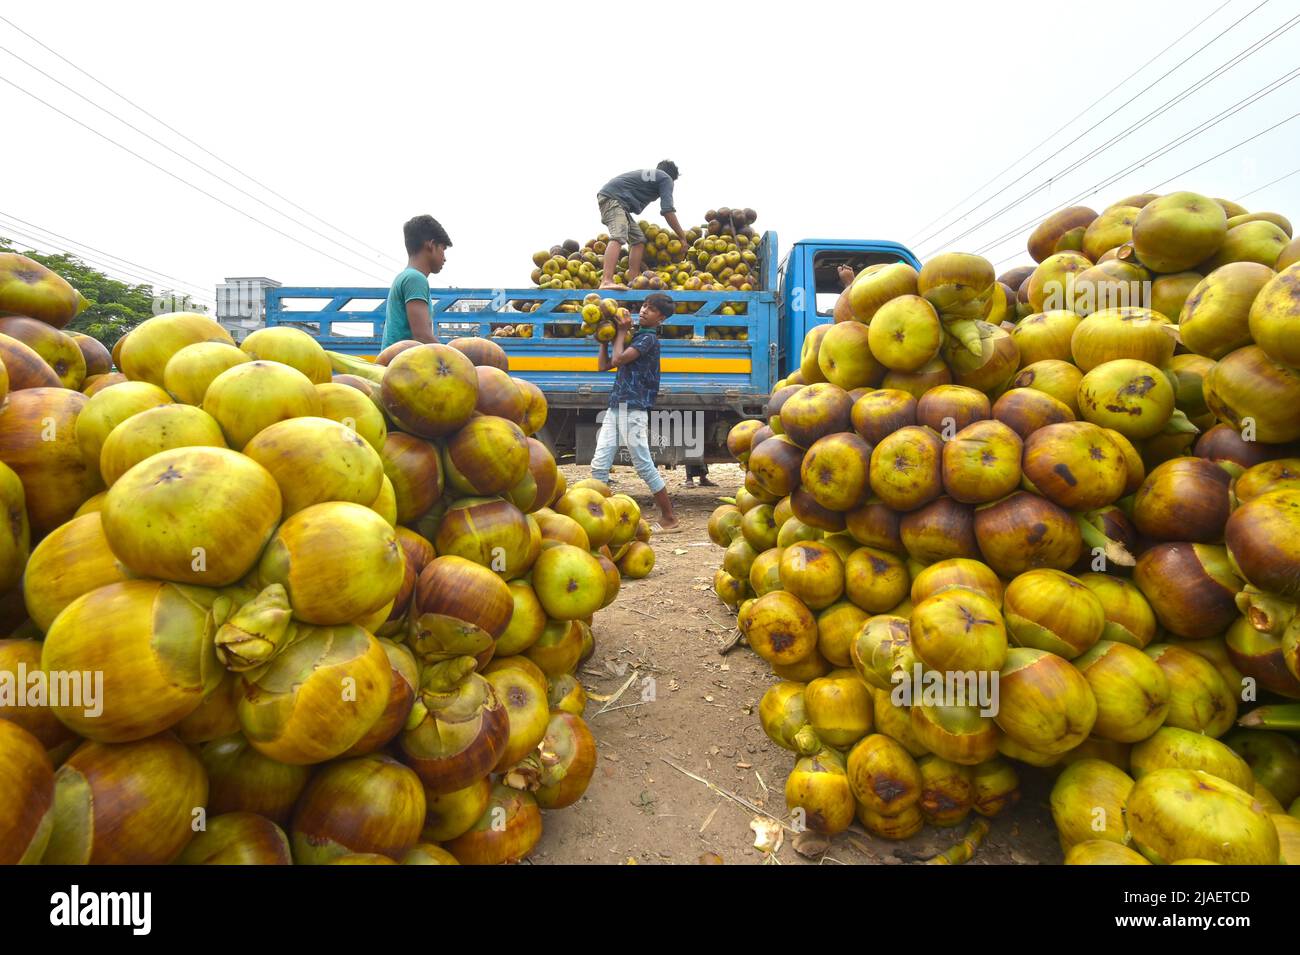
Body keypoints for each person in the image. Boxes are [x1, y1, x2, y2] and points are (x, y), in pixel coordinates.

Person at [592, 291, 681, 531]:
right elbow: (603, 365)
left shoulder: (648, 340)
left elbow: (619, 359)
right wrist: (603, 339)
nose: (643, 311)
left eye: (650, 309)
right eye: (643, 306)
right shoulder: (636, 336)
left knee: (642, 464)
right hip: (616, 405)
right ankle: (599, 517)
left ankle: (670, 518)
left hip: (633, 408)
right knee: (599, 464)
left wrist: (620, 333)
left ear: (660, 318)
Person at [596, 161, 689, 289]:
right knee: (618, 235)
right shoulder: (666, 178)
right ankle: (606, 280)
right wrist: (682, 237)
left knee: (638, 241)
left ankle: (634, 282)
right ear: (672, 177)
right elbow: (667, 210)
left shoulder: (653, 175)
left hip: (619, 203)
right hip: (614, 200)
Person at [382, 215, 452, 350]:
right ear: (431, 245)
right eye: (443, 249)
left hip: (401, 361)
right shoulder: (415, 279)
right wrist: (456, 360)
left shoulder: (407, 276)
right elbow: (422, 336)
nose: (445, 258)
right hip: (401, 365)